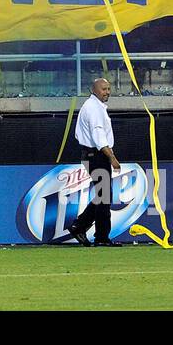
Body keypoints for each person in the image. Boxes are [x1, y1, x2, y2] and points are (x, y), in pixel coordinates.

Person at [67, 78, 119, 247]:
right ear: (94, 90)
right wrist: (111, 157)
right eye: (104, 89)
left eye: (109, 89)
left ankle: (79, 226)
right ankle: (101, 237)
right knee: (104, 196)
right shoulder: (94, 109)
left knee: (103, 195)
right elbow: (99, 138)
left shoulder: (92, 106)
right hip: (96, 155)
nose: (107, 92)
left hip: (92, 154)